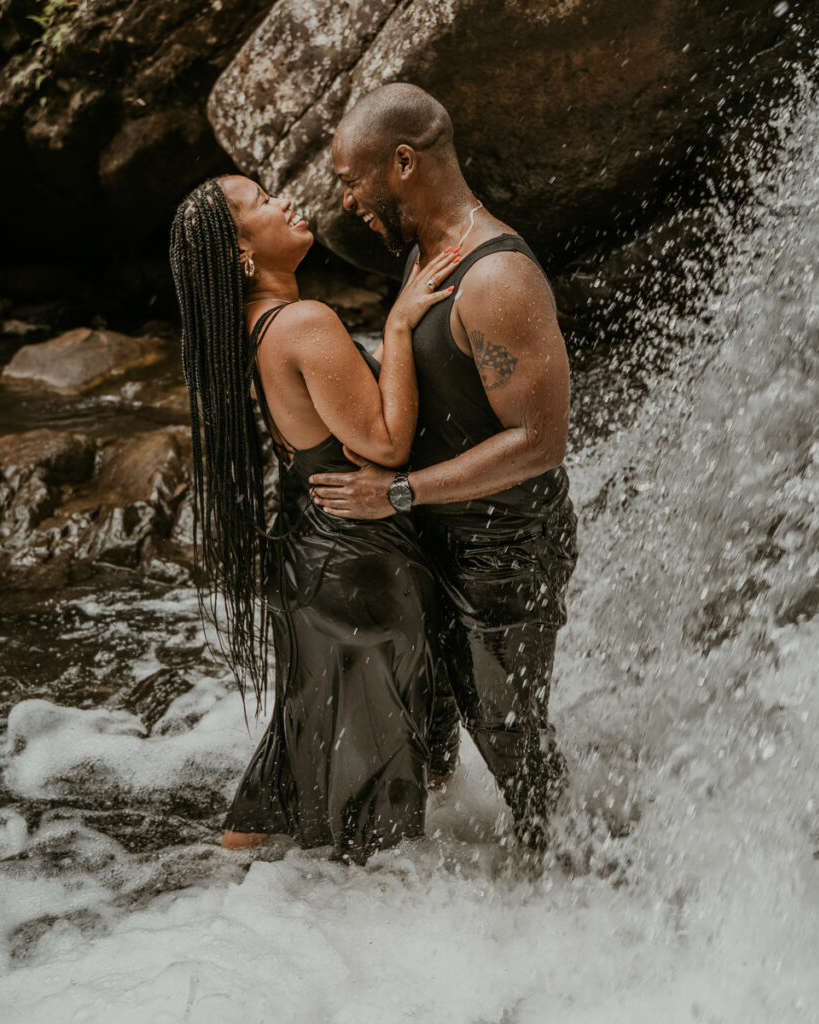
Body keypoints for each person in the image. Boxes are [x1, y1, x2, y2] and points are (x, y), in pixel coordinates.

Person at [306, 84, 579, 852]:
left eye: (350, 180)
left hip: (505, 551)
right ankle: (431, 873)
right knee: (426, 725)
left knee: (513, 744)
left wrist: (396, 491)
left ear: (402, 162)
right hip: (434, 539)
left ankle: (568, 880)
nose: (347, 200)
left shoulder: (496, 278)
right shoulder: (425, 255)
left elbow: (539, 440)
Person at [168, 173, 462, 864]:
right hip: (359, 568)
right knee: (377, 804)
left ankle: (229, 899)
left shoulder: (244, 332)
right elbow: (384, 443)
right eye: (262, 202)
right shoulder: (303, 324)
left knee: (308, 750)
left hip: (311, 565)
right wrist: (396, 322)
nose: (284, 200)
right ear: (242, 251)